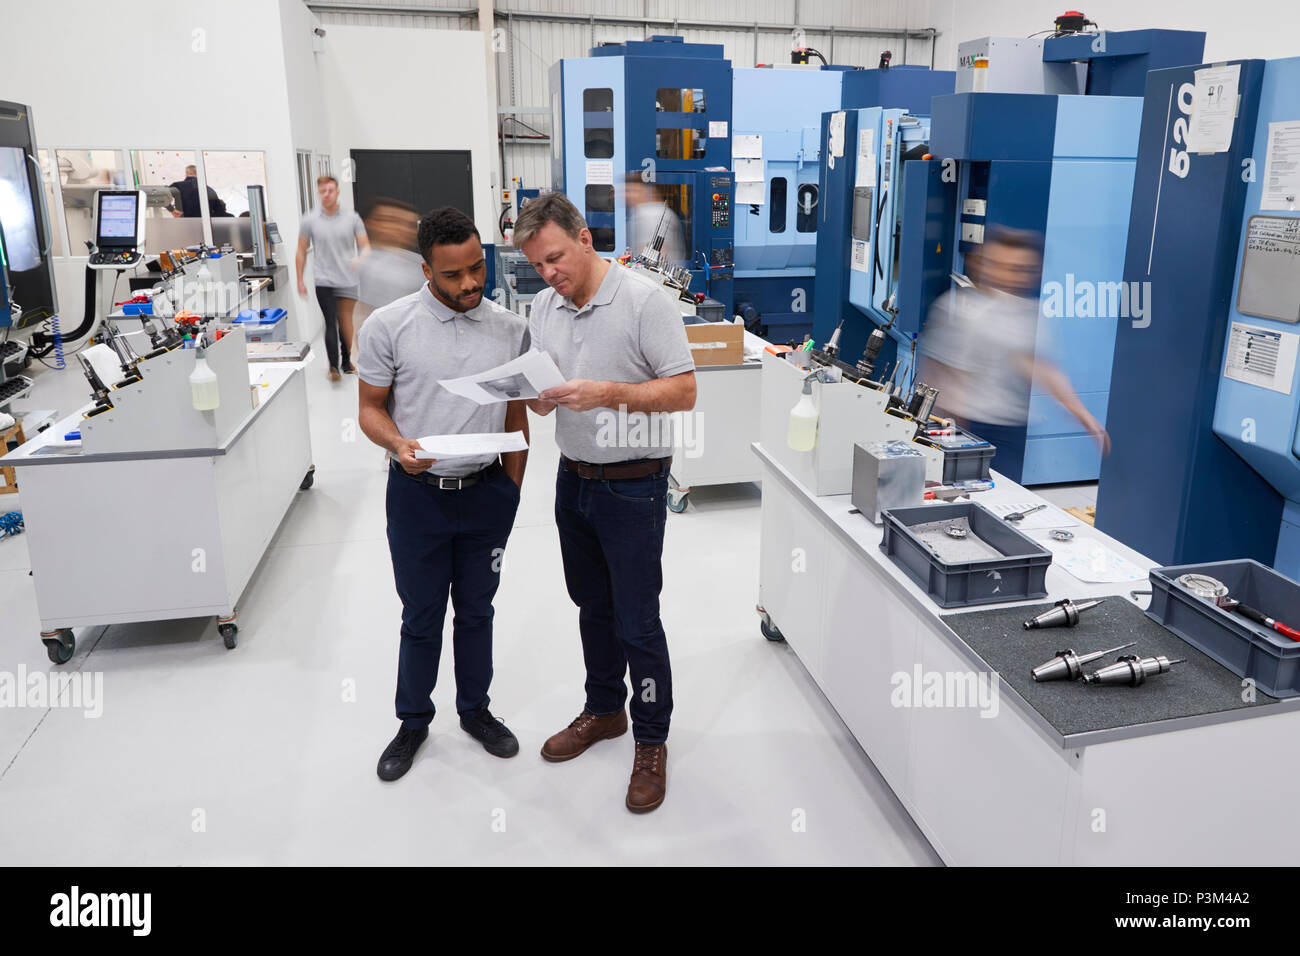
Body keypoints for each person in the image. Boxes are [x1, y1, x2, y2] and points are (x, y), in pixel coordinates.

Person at [513, 192, 696, 814]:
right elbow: (543, 387)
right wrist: (540, 399)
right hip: (574, 480)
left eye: (556, 258)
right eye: (538, 265)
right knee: (591, 606)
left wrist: (609, 394)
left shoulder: (646, 302)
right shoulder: (544, 306)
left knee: (637, 620)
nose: (550, 274)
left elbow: (683, 391)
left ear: (585, 238)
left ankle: (651, 739)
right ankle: (603, 710)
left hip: (634, 484)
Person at [357, 206, 530, 783]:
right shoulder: (389, 326)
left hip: (486, 496)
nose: (471, 284)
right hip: (416, 496)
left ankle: (476, 711)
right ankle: (413, 721)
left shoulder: (508, 328)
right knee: (422, 613)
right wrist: (398, 445)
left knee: (478, 611)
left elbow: (515, 416)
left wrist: (511, 490)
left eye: (477, 268)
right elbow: (369, 410)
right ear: (426, 269)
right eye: (454, 275)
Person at [917, 226, 1109, 479]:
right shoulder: (960, 310)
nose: (1012, 276)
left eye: (1021, 270)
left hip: (1012, 428)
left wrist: (1081, 413)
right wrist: (949, 436)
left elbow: (1039, 366)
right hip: (968, 425)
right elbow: (941, 376)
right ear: (985, 266)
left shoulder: (1032, 313)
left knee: (1003, 498)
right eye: (1003, 266)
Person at [297, 175, 369, 381]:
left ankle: (346, 363)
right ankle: (333, 368)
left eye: (330, 190)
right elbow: (301, 250)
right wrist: (300, 279)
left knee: (345, 320)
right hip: (324, 280)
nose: (327, 194)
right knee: (330, 322)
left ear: (337, 192)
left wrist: (361, 258)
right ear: (319, 193)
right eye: (323, 191)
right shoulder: (309, 220)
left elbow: (365, 246)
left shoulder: (352, 218)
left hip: (348, 280)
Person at [353, 197, 425, 352]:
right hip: (376, 350)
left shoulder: (419, 267)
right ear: (370, 223)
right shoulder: (358, 266)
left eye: (406, 224)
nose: (398, 228)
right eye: (390, 220)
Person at [625, 172, 685, 267]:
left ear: (646, 191)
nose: (626, 195)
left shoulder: (649, 214)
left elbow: (656, 256)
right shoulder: (651, 211)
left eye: (632, 191)